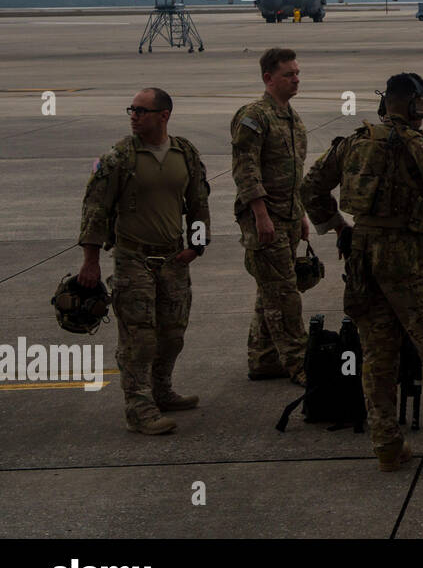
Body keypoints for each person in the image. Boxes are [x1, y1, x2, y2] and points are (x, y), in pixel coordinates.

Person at [301, 72, 423, 472]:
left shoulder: (353, 141)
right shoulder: (420, 147)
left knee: (378, 354)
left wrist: (339, 226)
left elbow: (312, 188)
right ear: (415, 105)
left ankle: (386, 444)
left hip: (362, 260)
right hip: (409, 261)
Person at [77, 88, 210, 434]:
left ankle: (162, 390)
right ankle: (138, 406)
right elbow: (95, 208)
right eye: (131, 110)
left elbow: (198, 202)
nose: (133, 116)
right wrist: (90, 261)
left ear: (164, 115)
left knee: (173, 333)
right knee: (139, 338)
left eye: (141, 110)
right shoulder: (119, 157)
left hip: (173, 258)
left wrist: (196, 246)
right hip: (133, 258)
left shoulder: (186, 153)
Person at [232, 47, 310, 385]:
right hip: (266, 219)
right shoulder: (254, 116)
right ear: (268, 79)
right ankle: (299, 363)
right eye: (288, 75)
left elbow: (294, 172)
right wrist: (260, 214)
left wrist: (301, 215)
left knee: (271, 290)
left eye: (296, 73)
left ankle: (264, 358)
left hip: (288, 216)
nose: (295, 79)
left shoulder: (290, 116)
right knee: (285, 295)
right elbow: (245, 170)